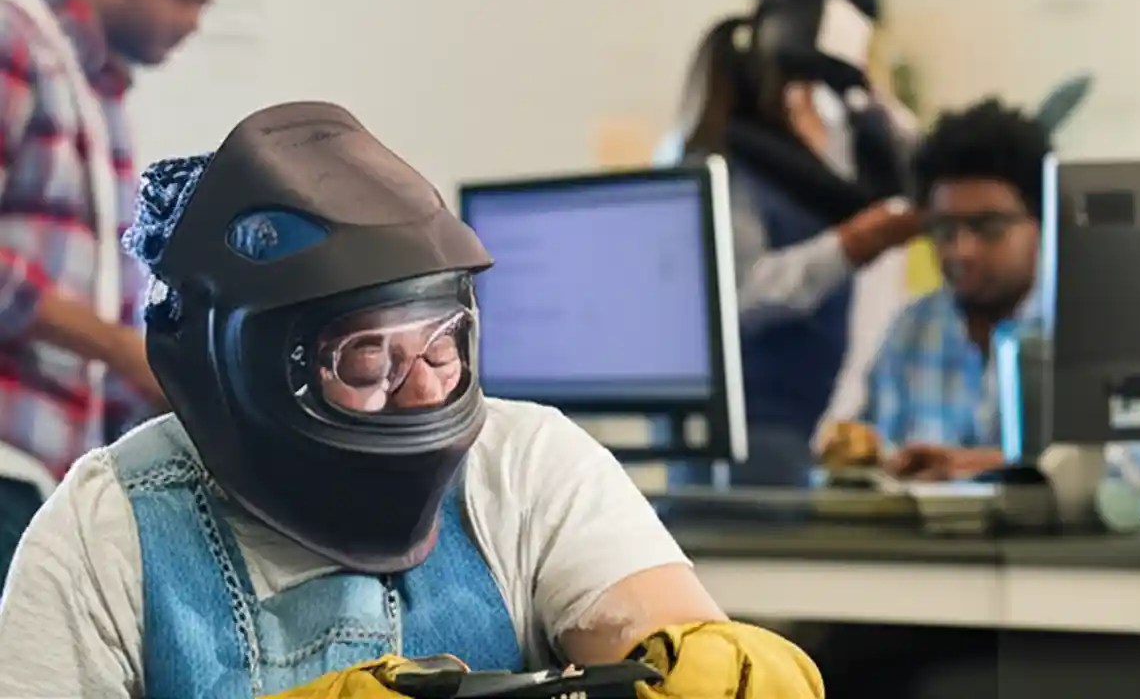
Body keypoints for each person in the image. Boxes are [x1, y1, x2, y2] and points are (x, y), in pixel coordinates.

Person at [0, 101, 824, 699]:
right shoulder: (101, 534)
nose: (427, 387)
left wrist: (713, 667)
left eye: (443, 345)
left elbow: (652, 631)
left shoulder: (528, 465)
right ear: (238, 364)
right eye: (368, 359)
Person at [0, 0, 214, 591]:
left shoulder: (101, 100)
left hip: (43, 475)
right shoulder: (13, 40)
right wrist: (120, 349)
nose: (194, 21)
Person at [666, 0, 920, 488]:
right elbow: (741, 293)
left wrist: (868, 90)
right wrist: (848, 246)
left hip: (794, 421)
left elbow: (899, 165)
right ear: (787, 97)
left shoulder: (790, 181)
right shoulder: (729, 172)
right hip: (752, 433)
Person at [862, 98, 1049, 481]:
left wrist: (978, 467)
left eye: (988, 227)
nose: (961, 250)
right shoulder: (911, 331)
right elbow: (875, 465)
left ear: (1042, 223)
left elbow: (1130, 471)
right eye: (945, 229)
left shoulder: (1085, 327)